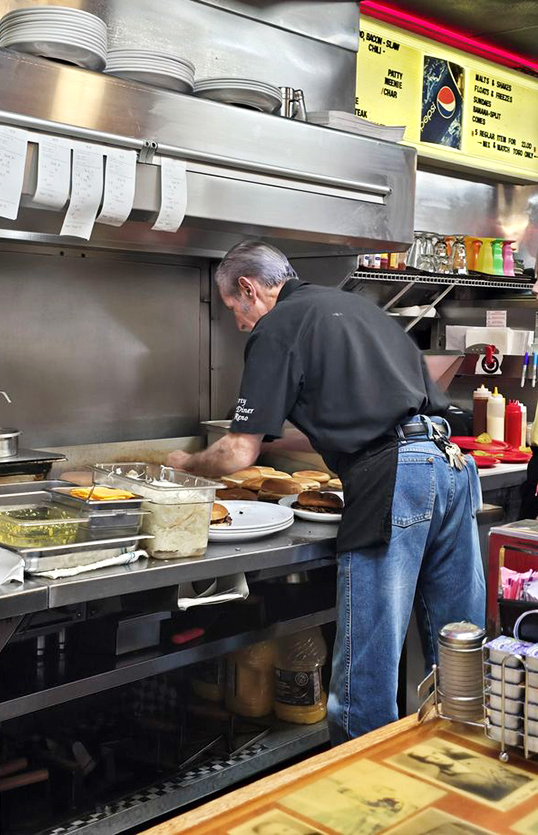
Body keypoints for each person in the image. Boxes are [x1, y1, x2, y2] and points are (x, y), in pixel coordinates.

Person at [168, 241, 485, 744]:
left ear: (249, 289)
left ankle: (361, 803)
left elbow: (236, 455)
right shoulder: (362, 310)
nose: (240, 323)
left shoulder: (278, 326)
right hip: (450, 467)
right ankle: (462, 773)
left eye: (234, 309)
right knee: (460, 649)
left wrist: (185, 465)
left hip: (395, 480)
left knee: (365, 674)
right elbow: (376, 415)